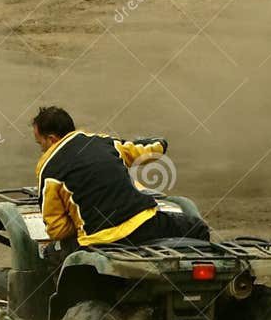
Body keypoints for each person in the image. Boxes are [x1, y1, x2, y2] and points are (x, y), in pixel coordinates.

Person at [32, 106, 210, 251]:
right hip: (144, 226)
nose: (42, 149)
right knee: (197, 228)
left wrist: (79, 221)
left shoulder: (48, 168)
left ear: (51, 139)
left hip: (98, 241)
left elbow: (57, 229)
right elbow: (143, 150)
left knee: (51, 252)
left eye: (40, 144)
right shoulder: (103, 142)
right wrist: (160, 145)